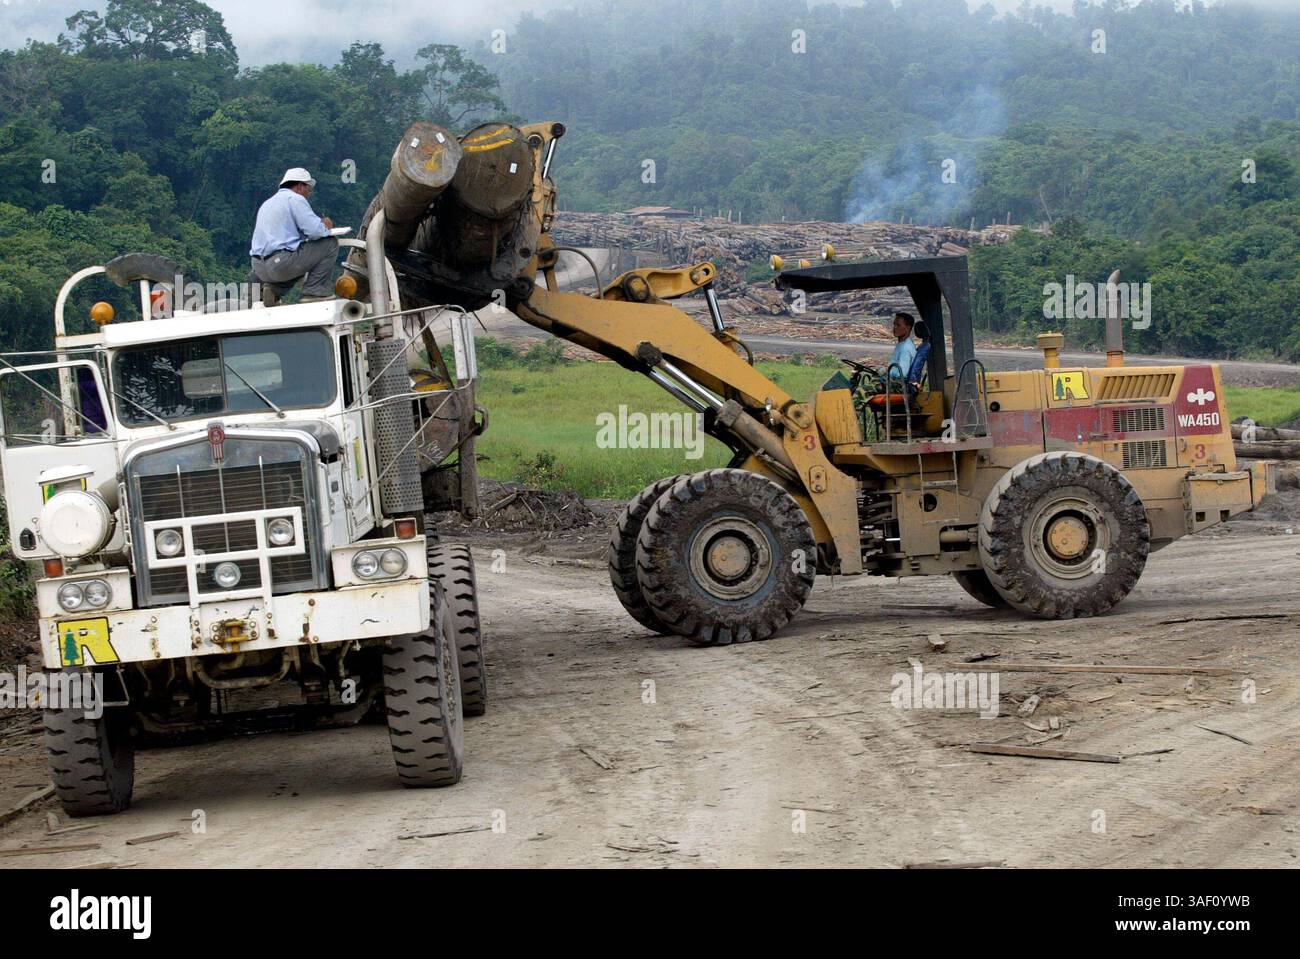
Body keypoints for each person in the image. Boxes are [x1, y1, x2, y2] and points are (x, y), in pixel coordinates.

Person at [249, 168, 338, 306]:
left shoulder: (268, 203)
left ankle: (273, 290)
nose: (308, 194)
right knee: (330, 243)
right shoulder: (295, 199)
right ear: (299, 186)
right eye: (308, 190)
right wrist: (325, 225)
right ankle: (314, 291)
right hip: (280, 264)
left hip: (258, 268)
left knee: (301, 255)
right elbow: (315, 231)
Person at [887, 311, 917, 392]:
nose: (895, 328)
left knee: (862, 390)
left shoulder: (906, 348)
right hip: (894, 382)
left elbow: (902, 373)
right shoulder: (901, 344)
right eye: (894, 324)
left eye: (898, 325)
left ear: (907, 328)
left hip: (899, 385)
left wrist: (887, 372)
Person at [906, 318, 931, 399]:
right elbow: (917, 363)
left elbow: (917, 363)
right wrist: (914, 382)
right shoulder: (924, 346)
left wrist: (913, 381)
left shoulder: (923, 346)